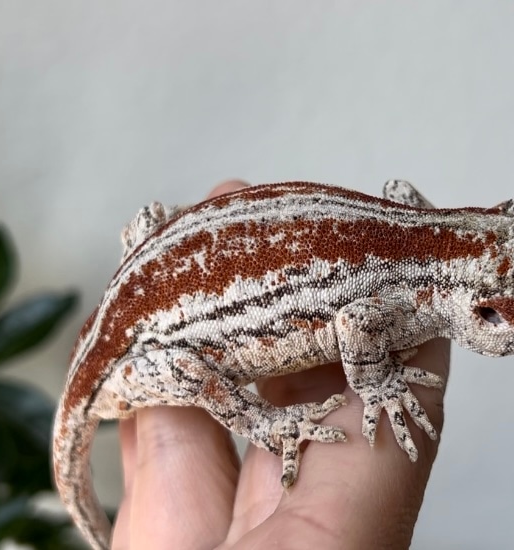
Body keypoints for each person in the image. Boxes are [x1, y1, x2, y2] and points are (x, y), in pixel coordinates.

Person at [111, 180, 450, 549]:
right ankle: (267, 427)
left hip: (163, 299)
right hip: (142, 344)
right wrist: (375, 381)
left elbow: (398, 188)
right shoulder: (411, 296)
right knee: (186, 370)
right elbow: (353, 322)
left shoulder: (420, 249)